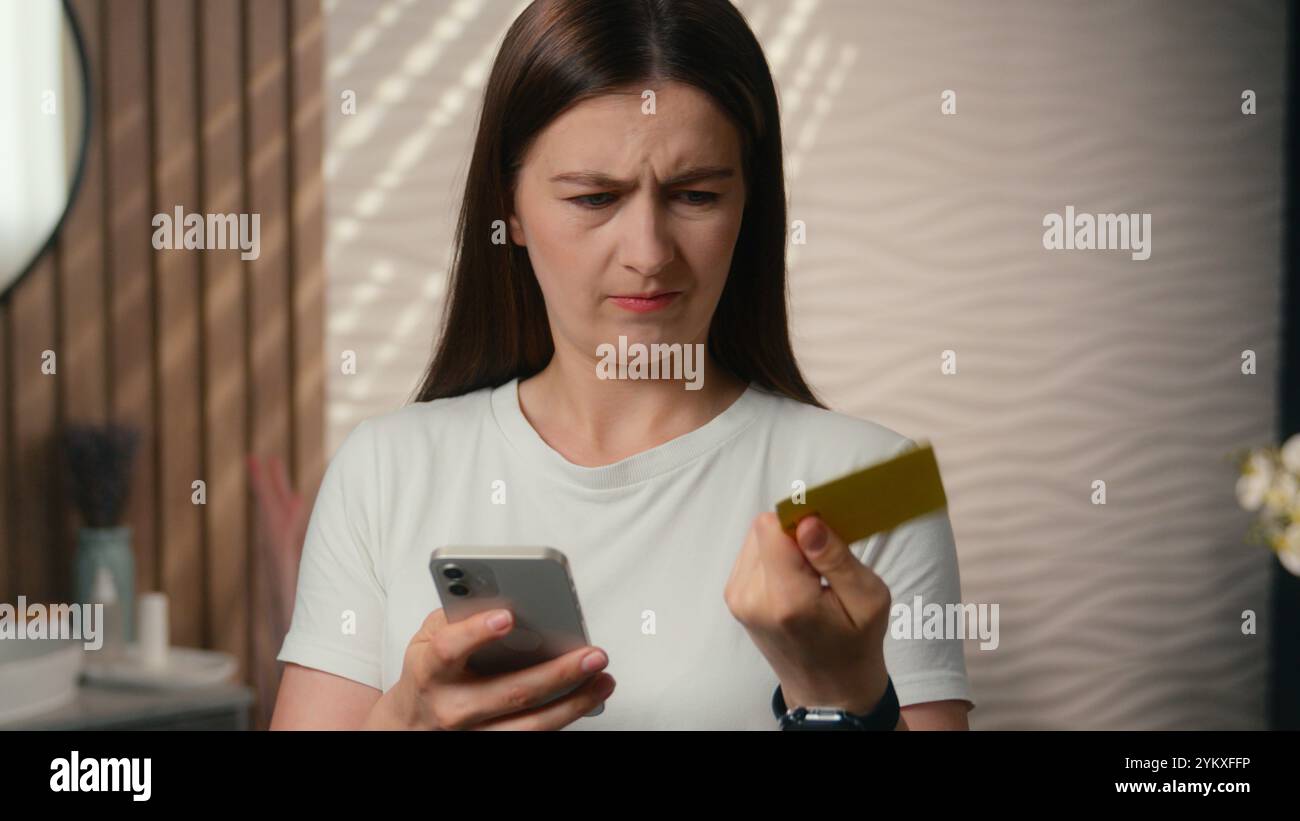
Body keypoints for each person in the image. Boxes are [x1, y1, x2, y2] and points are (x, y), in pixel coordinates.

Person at [271, 0, 974, 730]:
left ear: (750, 204)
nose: (648, 251)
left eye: (696, 194)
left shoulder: (876, 484)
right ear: (507, 207)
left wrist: (845, 697)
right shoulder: (383, 470)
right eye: (594, 197)